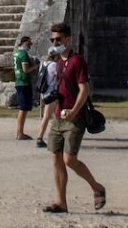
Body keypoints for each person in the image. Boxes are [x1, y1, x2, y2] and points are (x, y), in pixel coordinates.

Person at [43, 22, 105, 214]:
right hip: (58, 117)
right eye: (52, 39)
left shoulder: (77, 61)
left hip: (74, 117)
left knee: (69, 159)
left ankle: (97, 187)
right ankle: (61, 202)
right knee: (56, 160)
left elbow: (84, 90)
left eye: (58, 39)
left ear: (68, 39)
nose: (55, 42)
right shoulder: (59, 62)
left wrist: (73, 111)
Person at [13, 35, 39, 140]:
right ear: (23, 43)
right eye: (29, 44)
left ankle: (20, 132)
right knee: (23, 109)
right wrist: (35, 66)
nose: (30, 46)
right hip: (24, 82)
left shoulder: (16, 53)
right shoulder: (23, 54)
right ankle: (19, 132)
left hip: (19, 81)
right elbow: (25, 69)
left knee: (23, 108)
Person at [36, 46, 60, 148]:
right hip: (51, 93)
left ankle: (58, 136)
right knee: (47, 117)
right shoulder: (54, 65)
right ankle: (40, 138)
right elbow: (59, 77)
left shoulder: (43, 63)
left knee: (57, 115)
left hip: (44, 92)